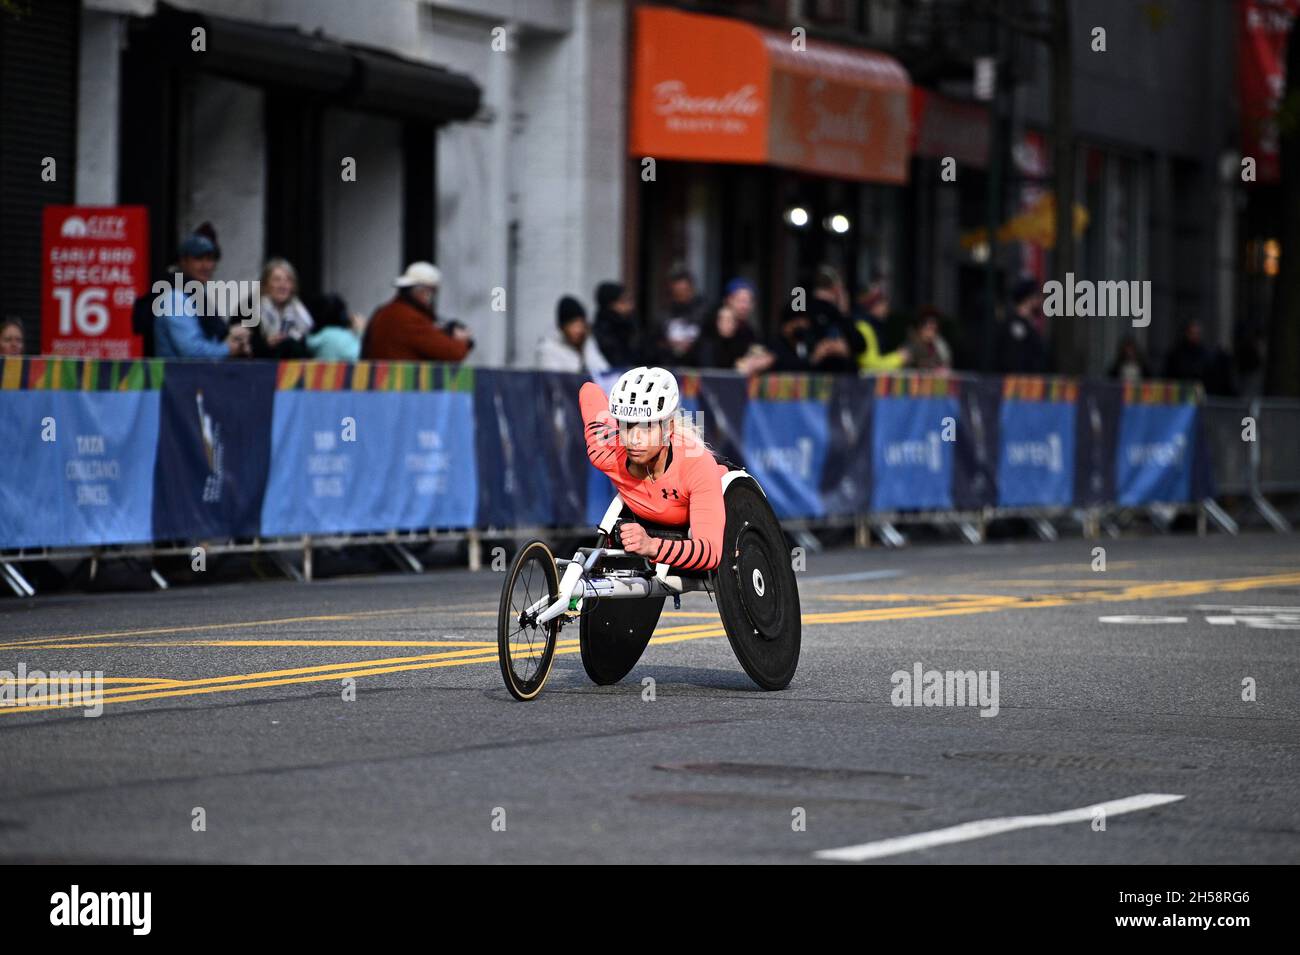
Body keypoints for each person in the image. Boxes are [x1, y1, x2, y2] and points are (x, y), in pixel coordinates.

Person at [579, 366, 728, 572]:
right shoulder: (605, 451)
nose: (633, 439)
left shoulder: (697, 465)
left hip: (719, 506)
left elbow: (710, 554)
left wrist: (650, 546)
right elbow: (589, 390)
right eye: (627, 425)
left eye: (647, 427)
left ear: (668, 429)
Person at [153, 227, 251, 359]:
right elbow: (191, 352)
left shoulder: (197, 294)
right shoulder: (174, 298)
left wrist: (232, 337)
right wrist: (228, 348)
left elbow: (210, 338)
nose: (206, 266)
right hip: (177, 378)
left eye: (210, 259)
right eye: (199, 259)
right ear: (183, 262)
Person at [361, 262, 473, 362]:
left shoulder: (383, 312)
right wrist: (461, 341)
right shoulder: (408, 318)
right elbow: (450, 352)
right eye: (432, 291)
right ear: (423, 291)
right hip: (400, 383)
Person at [807, 265, 866, 373]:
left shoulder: (839, 314)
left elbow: (861, 345)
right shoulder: (836, 314)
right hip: (828, 376)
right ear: (837, 289)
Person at [252, 258, 313, 358]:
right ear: (265, 285)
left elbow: (306, 351)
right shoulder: (250, 310)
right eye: (277, 280)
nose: (283, 285)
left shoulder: (300, 312)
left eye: (288, 280)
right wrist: (266, 343)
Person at [693, 303, 774, 375]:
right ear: (716, 322)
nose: (727, 324)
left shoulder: (742, 340)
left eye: (731, 320)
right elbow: (708, 371)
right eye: (723, 320)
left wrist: (754, 363)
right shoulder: (706, 344)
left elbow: (763, 356)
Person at [536, 295, 610, 374]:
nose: (579, 330)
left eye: (581, 324)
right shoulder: (547, 348)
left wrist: (581, 350)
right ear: (563, 326)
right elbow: (552, 380)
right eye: (573, 325)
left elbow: (603, 370)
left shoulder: (586, 341)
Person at [654, 265, 707, 365]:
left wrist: (692, 345)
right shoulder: (664, 314)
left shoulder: (703, 312)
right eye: (678, 293)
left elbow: (708, 341)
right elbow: (655, 342)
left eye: (685, 291)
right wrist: (669, 345)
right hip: (669, 366)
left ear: (691, 289)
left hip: (696, 369)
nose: (682, 296)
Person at [995, 277, 1049, 374]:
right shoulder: (1014, 326)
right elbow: (1014, 363)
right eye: (1037, 296)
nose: (1040, 301)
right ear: (1028, 299)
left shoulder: (1028, 325)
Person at [852, 284, 909, 372]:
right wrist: (898, 358)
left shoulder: (876, 326)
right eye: (883, 304)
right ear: (873, 306)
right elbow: (870, 365)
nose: (887, 309)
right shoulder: (864, 327)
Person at [592, 281, 643, 368]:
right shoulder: (602, 331)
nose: (629, 306)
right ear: (610, 304)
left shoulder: (631, 325)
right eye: (623, 301)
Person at [306, 293, 363, 362]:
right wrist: (360, 332)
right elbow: (359, 356)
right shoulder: (345, 337)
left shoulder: (321, 335)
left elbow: (309, 344)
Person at [908, 307, 953, 372]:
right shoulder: (912, 344)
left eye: (934, 322)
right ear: (920, 327)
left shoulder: (940, 344)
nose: (930, 325)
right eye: (926, 322)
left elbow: (946, 364)